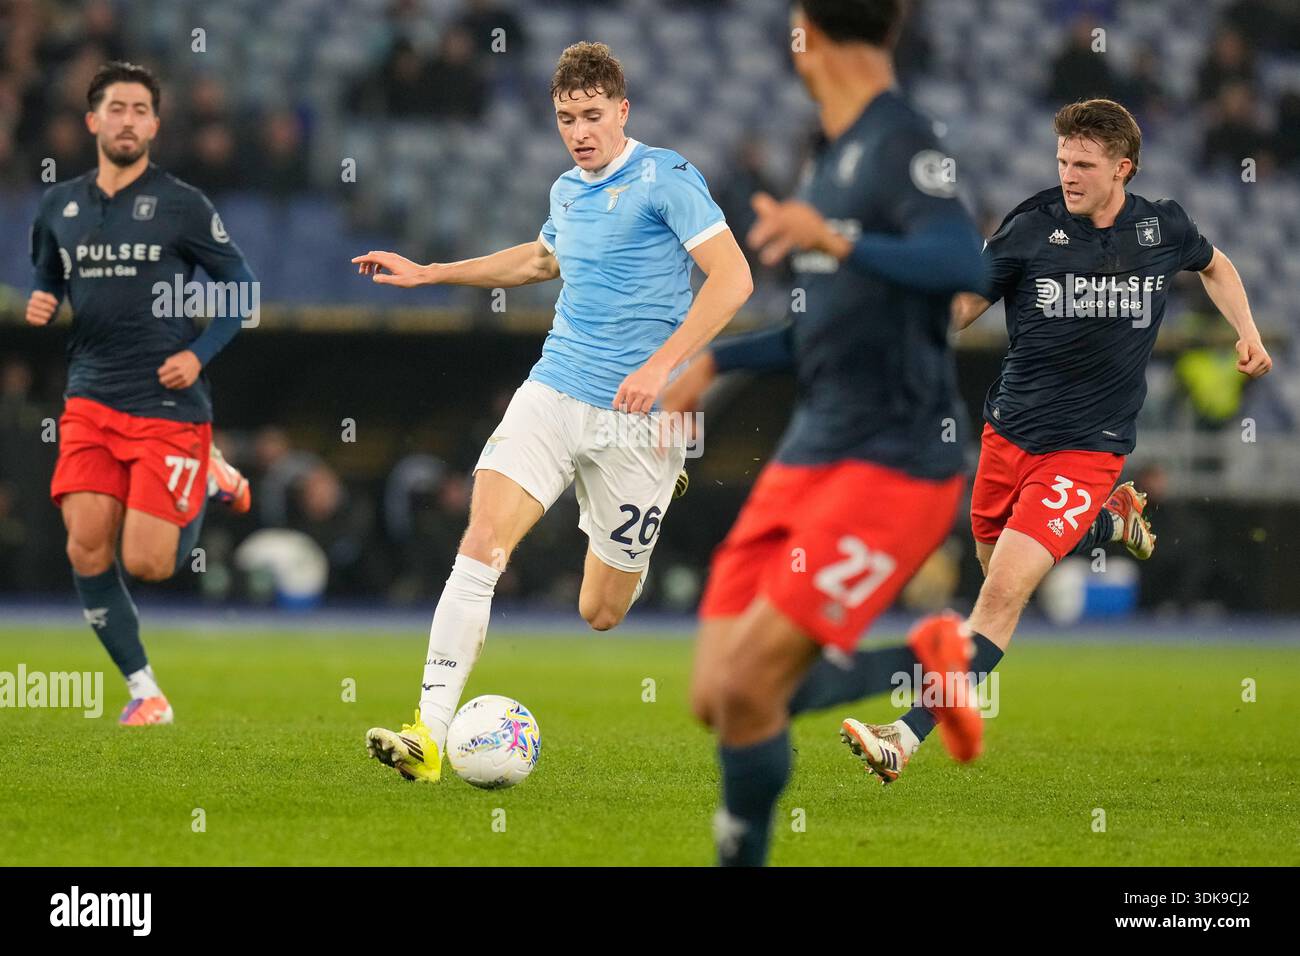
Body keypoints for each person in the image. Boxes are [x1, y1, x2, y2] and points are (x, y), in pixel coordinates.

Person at [352, 41, 753, 783]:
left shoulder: (668, 178)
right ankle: (428, 733)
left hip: (640, 419)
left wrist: (662, 366)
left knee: (600, 610)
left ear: (623, 110)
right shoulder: (566, 189)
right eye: (566, 117)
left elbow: (734, 279)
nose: (580, 131)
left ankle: (659, 494)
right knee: (481, 543)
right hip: (554, 389)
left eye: (593, 115)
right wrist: (433, 272)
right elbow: (540, 261)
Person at [842, 97, 1273, 782]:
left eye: (1083, 164)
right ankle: (1106, 524)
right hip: (1009, 436)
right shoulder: (1031, 228)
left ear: (1122, 168)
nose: (1068, 174)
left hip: (1089, 447)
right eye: (1062, 161)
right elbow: (964, 305)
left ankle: (905, 734)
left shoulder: (1163, 229)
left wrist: (1246, 332)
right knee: (996, 570)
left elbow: (1216, 264)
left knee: (1002, 595)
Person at [659, 0, 988, 866]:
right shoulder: (831, 156)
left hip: (894, 463)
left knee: (749, 684)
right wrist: (719, 364)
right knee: (716, 695)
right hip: (811, 451)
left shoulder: (899, 142)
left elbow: (962, 262)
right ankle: (920, 662)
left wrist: (837, 238)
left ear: (810, 37)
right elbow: (823, 329)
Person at [26, 61, 254, 726]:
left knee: (149, 563)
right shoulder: (57, 205)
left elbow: (242, 291)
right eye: (115, 108)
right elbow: (47, 271)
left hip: (166, 404)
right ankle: (145, 691)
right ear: (92, 120)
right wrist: (44, 297)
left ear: (155, 124)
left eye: (139, 110)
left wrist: (197, 352)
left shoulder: (183, 203)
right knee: (85, 547)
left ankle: (208, 473)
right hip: (91, 398)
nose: (127, 120)